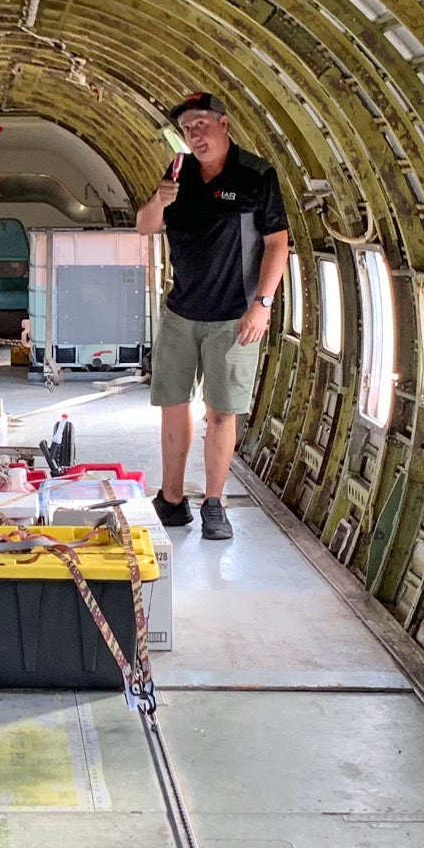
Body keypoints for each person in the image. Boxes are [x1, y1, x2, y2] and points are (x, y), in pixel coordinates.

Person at [136, 92, 289, 540]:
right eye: (187, 129)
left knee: (222, 411)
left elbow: (277, 244)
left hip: (233, 316)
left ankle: (215, 504)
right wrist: (159, 199)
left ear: (224, 124)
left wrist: (262, 305)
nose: (195, 134)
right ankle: (172, 499)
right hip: (182, 311)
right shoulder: (178, 172)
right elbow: (145, 226)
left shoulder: (256, 175)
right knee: (173, 404)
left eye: (202, 124)